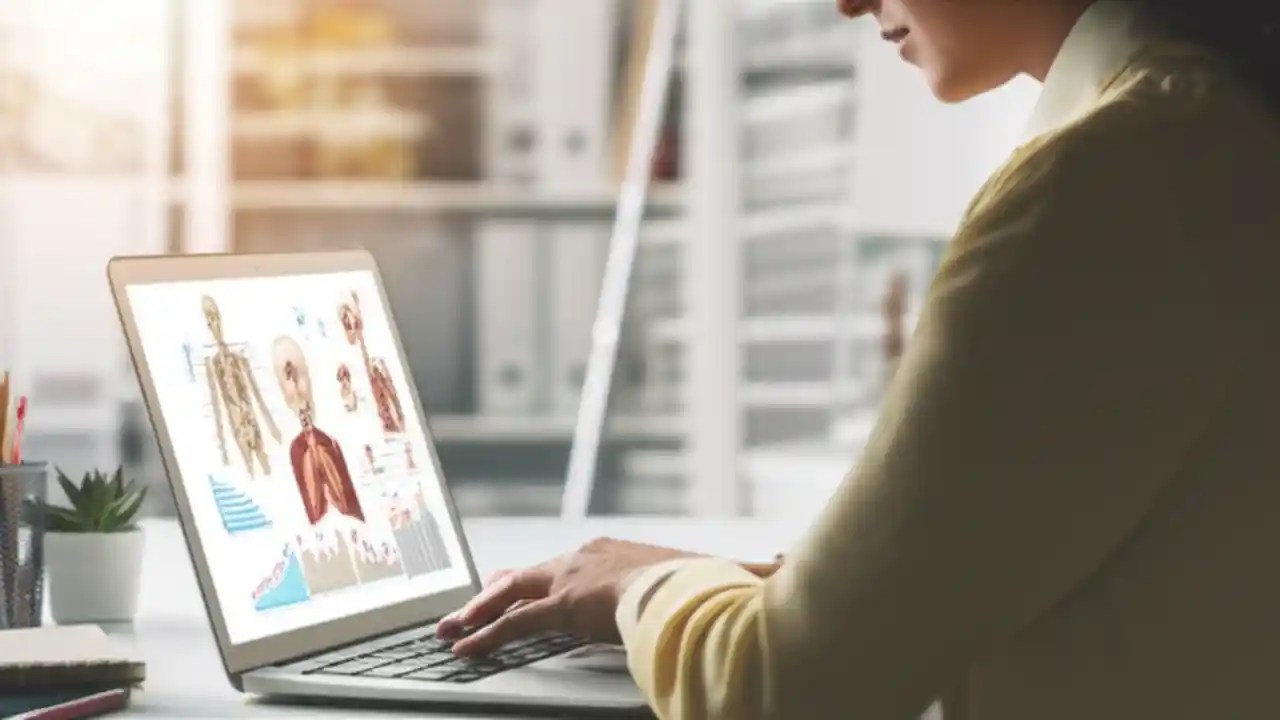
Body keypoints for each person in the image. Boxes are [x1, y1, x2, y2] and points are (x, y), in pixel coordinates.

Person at [439, 1, 1280, 717]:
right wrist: (765, 584)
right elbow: (1057, 557)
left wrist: (637, 591)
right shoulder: (1203, 130)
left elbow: (781, 690)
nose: (841, 2)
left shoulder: (1108, 182)